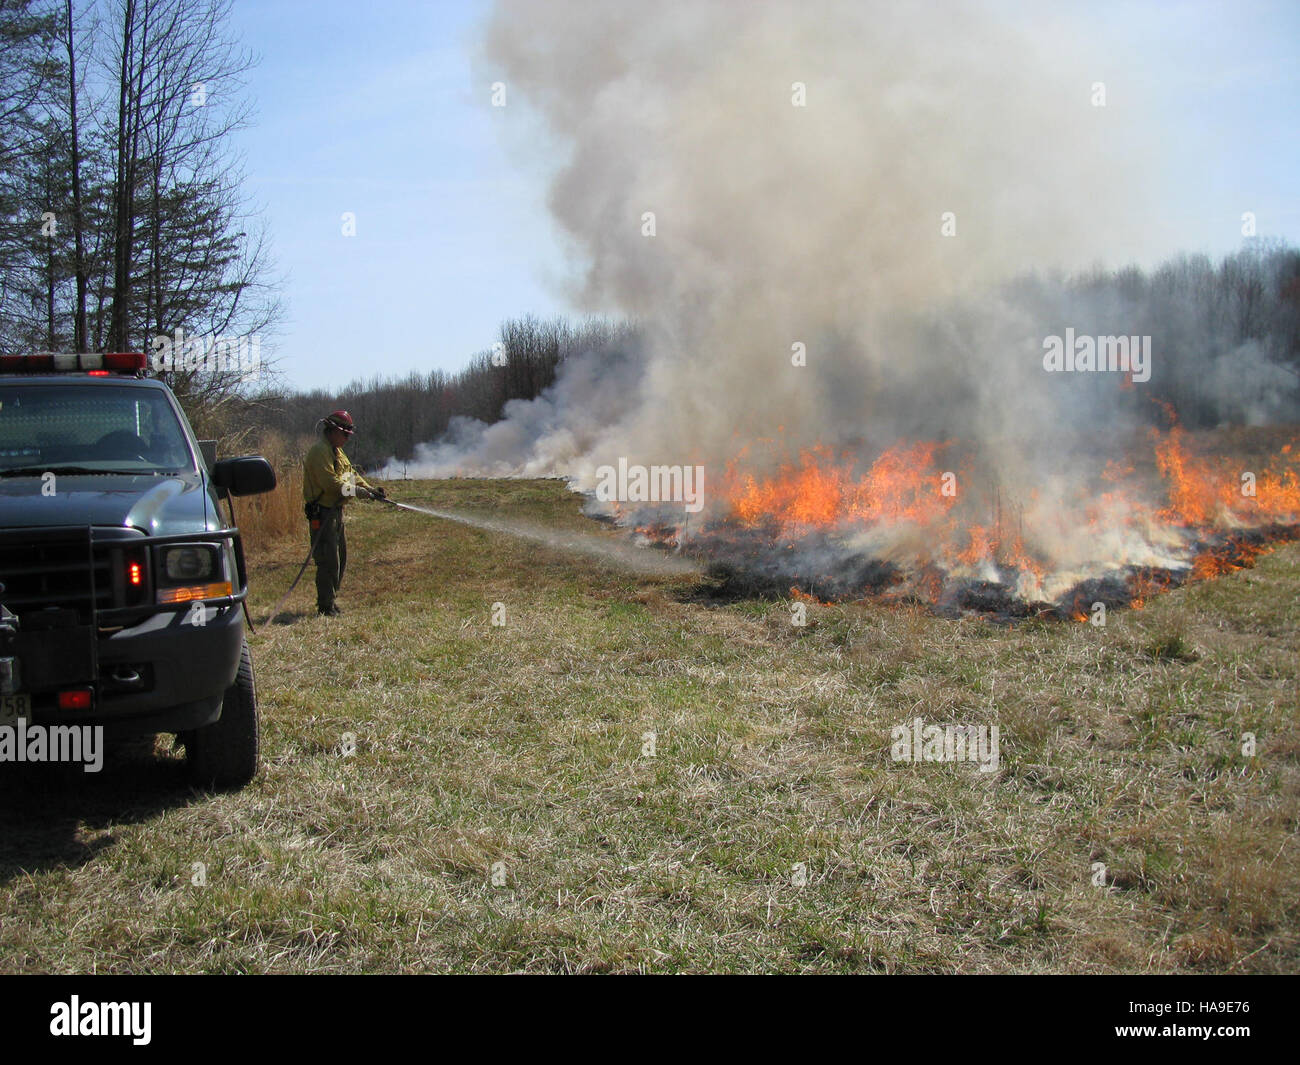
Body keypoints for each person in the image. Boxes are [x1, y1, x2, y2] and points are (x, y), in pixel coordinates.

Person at [301, 410, 386, 616]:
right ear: (332, 431)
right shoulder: (320, 451)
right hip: (322, 514)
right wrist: (358, 492)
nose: (347, 439)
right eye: (344, 434)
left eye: (349, 435)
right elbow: (330, 484)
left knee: (340, 557)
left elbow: (351, 475)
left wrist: (371, 489)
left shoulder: (336, 451)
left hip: (335, 512)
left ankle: (331, 600)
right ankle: (325, 606)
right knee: (328, 559)